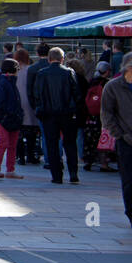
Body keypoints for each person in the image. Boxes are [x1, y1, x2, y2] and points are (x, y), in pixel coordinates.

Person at [101, 53, 132, 228]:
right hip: (126, 141)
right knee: (129, 180)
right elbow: (107, 114)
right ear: (129, 68)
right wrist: (119, 134)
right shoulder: (113, 87)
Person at [32, 46, 81, 185]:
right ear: (62, 59)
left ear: (49, 59)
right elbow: (76, 93)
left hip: (49, 114)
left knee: (52, 144)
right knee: (70, 144)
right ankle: (73, 173)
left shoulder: (42, 74)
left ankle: (56, 175)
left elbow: (37, 94)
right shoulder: (69, 72)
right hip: (67, 113)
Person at [0, 58, 25, 180]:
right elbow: (2, 102)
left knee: (11, 144)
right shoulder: (6, 81)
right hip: (6, 118)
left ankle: (10, 170)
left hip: (11, 117)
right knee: (5, 144)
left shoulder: (8, 80)